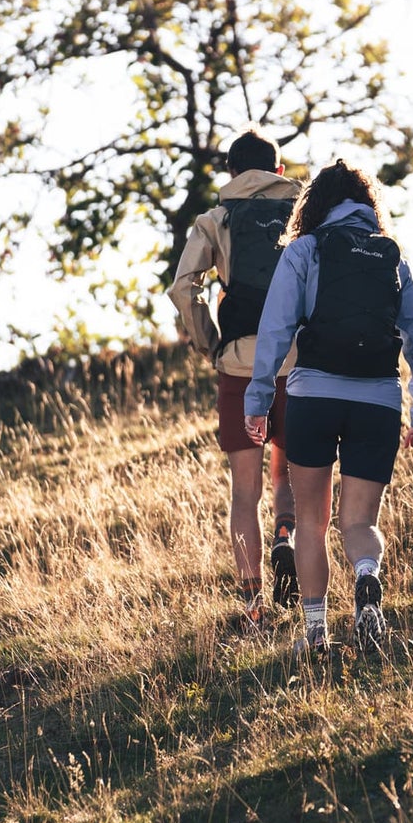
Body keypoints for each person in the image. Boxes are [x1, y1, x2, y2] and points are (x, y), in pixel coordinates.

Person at [244, 160, 413, 657]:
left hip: (313, 398)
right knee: (359, 522)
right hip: (377, 399)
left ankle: (316, 633)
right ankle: (367, 577)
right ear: (368, 205)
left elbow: (274, 332)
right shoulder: (391, 256)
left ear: (315, 206)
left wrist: (259, 400)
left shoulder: (304, 250)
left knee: (311, 522)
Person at [167, 129, 303, 629]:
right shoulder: (302, 213)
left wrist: (210, 344)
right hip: (298, 363)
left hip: (240, 365)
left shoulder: (215, 219)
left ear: (231, 172)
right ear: (278, 171)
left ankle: (253, 605)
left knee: (245, 491)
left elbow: (184, 288)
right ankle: (286, 536)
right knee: (291, 473)